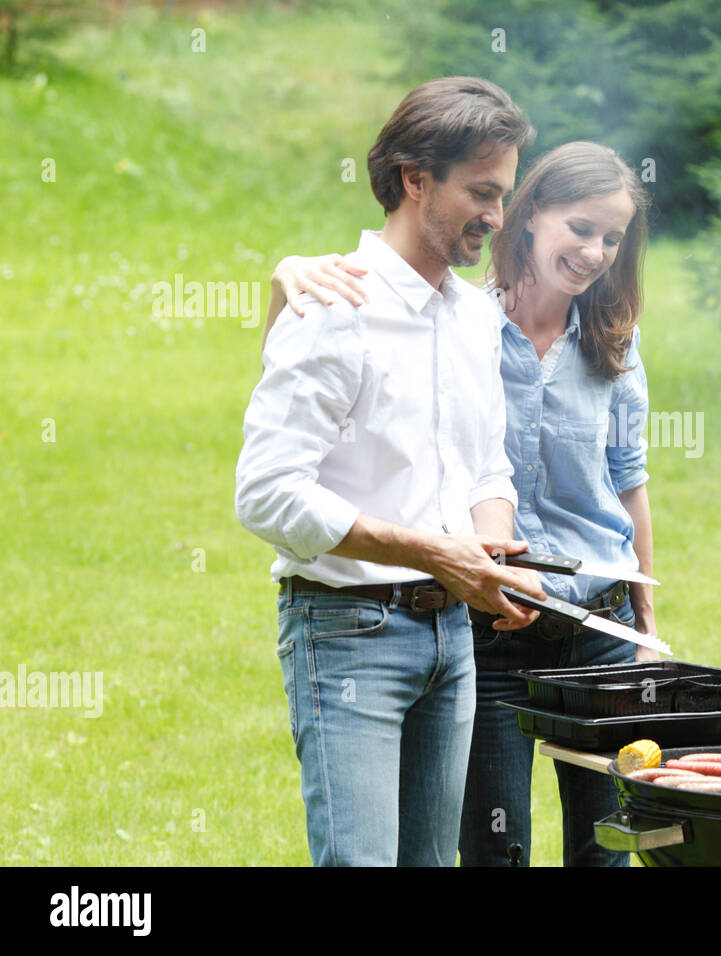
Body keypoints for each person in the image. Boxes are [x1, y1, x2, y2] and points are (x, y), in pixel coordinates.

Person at [263, 141, 655, 866]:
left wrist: (646, 621)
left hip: (599, 625)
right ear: (531, 218)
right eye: (581, 228)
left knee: (605, 850)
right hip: (490, 625)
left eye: (611, 237)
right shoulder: (464, 322)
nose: (596, 251)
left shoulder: (614, 348)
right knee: (493, 848)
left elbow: (627, 485)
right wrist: (285, 276)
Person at [234, 76, 548, 867]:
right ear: (416, 180)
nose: (496, 217)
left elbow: (485, 464)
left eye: (503, 194)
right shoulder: (331, 306)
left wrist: (494, 553)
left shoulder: (478, 318)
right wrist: (431, 552)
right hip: (346, 633)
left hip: (454, 637)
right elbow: (266, 493)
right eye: (481, 192)